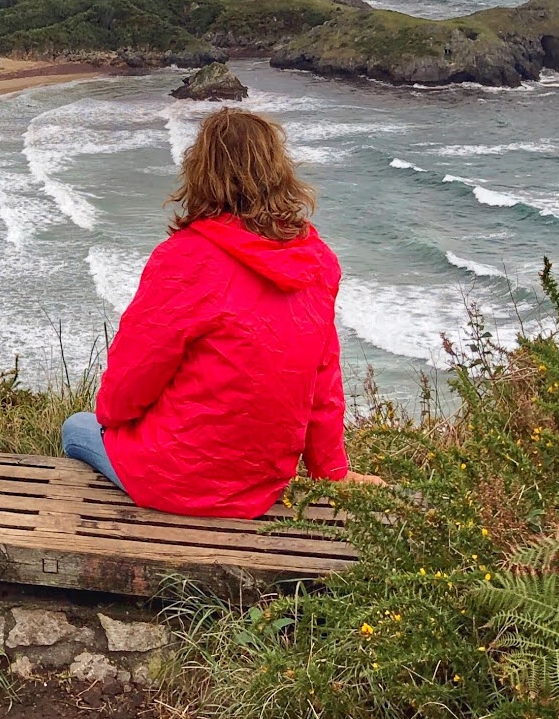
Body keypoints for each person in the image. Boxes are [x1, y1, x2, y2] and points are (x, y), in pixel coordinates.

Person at [60, 106, 384, 517]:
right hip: (259, 486)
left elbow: (132, 377)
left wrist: (112, 420)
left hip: (171, 479)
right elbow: (324, 383)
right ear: (279, 173)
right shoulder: (316, 263)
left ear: (200, 174)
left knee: (77, 426)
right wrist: (331, 472)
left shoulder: (183, 258)